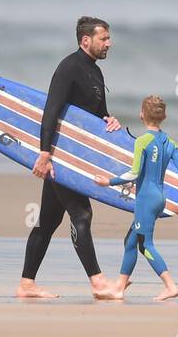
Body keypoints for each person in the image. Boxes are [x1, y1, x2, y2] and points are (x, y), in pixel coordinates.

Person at [17, 16, 124, 300]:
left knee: (48, 222)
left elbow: (96, 115)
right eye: (104, 38)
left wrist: (109, 121)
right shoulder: (68, 69)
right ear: (85, 40)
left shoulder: (95, 72)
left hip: (75, 157)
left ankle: (26, 284)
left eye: (109, 38)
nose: (109, 44)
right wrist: (45, 153)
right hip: (60, 157)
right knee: (82, 214)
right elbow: (50, 111)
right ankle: (99, 283)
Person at [96, 95, 178, 301]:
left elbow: (133, 174)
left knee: (145, 244)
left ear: (141, 114)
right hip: (160, 197)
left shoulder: (142, 141)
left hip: (146, 199)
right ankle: (120, 285)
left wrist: (109, 181)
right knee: (131, 241)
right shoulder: (169, 141)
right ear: (164, 116)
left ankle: (170, 286)